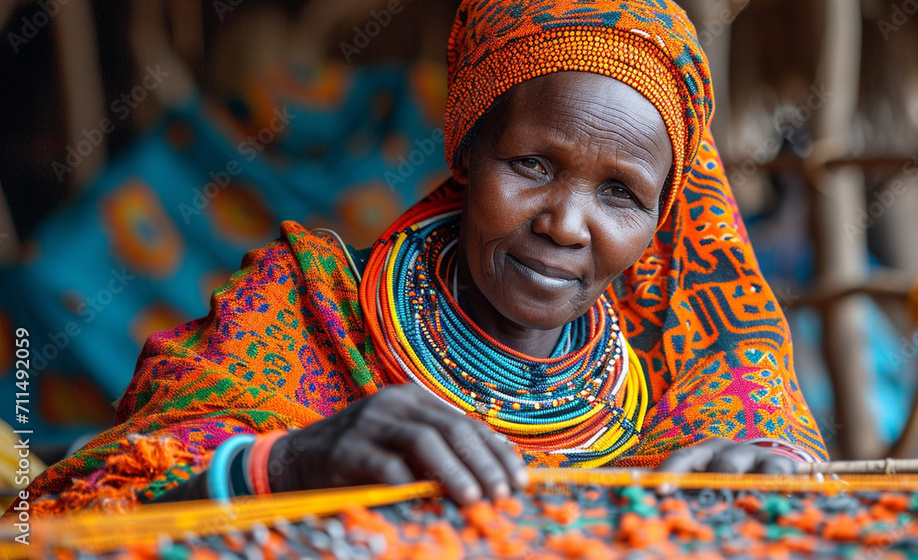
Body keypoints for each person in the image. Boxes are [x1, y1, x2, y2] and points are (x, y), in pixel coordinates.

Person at [14, 0, 827, 516]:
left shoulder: (688, 373)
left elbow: (783, 472)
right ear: (467, 152)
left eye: (621, 194)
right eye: (532, 165)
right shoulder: (304, 312)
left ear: (661, 216)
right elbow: (80, 518)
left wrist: (773, 490)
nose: (567, 225)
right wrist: (289, 462)